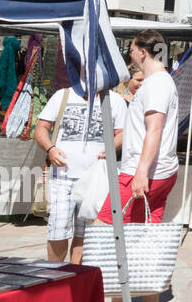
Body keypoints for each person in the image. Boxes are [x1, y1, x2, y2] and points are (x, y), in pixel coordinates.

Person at [100, 29, 180, 302]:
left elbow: (154, 129)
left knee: (104, 232)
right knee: (149, 239)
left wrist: (141, 172)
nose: (130, 55)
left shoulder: (157, 84)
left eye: (132, 50)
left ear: (143, 53)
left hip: (142, 171)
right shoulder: (161, 82)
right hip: (160, 171)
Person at [34, 83, 127, 264]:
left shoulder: (114, 100)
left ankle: (75, 278)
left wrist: (112, 146)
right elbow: (41, 127)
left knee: (85, 232)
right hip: (62, 176)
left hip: (96, 178)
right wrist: (50, 149)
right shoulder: (63, 95)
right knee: (57, 229)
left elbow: (122, 132)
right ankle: (56, 275)